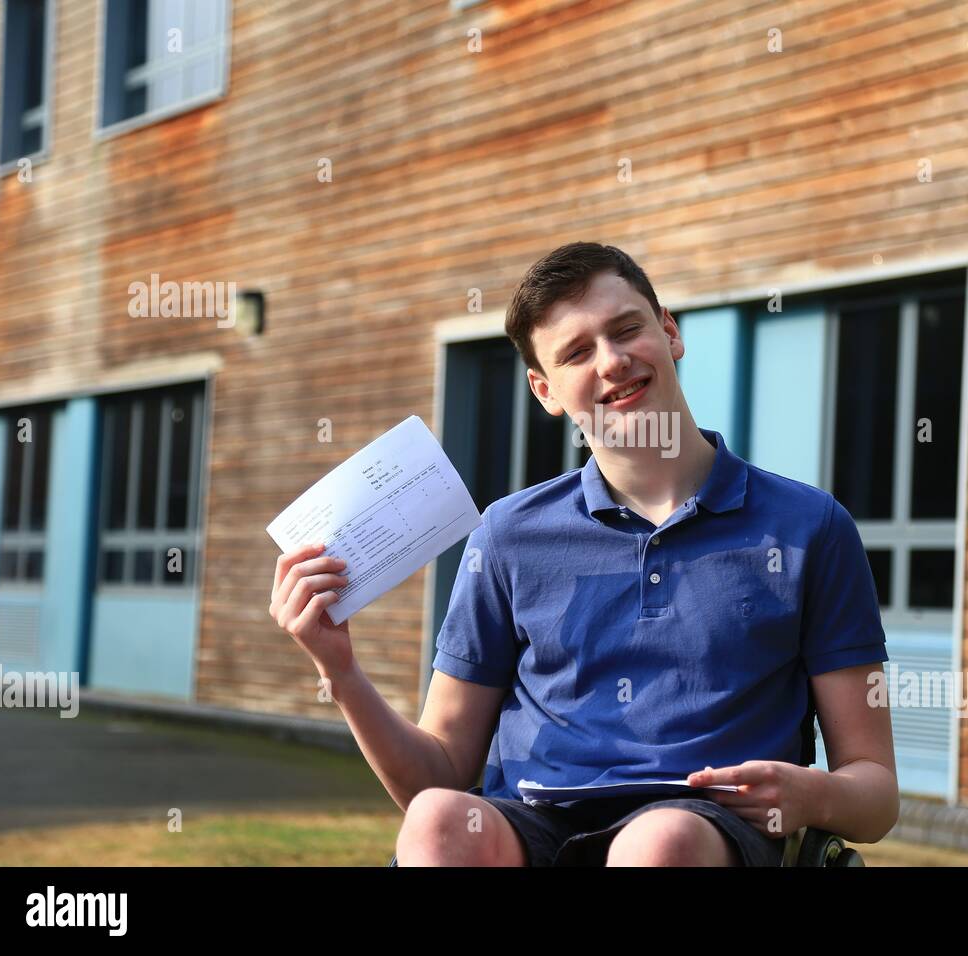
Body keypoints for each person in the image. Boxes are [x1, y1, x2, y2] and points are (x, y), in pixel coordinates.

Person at [269, 242, 899, 866]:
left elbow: (875, 791)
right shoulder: (508, 535)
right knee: (438, 820)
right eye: (577, 353)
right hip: (536, 824)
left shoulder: (811, 527)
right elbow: (436, 774)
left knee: (658, 843)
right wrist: (341, 673)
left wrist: (809, 794)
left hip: (707, 836)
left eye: (627, 329)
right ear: (545, 390)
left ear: (670, 332)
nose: (613, 361)